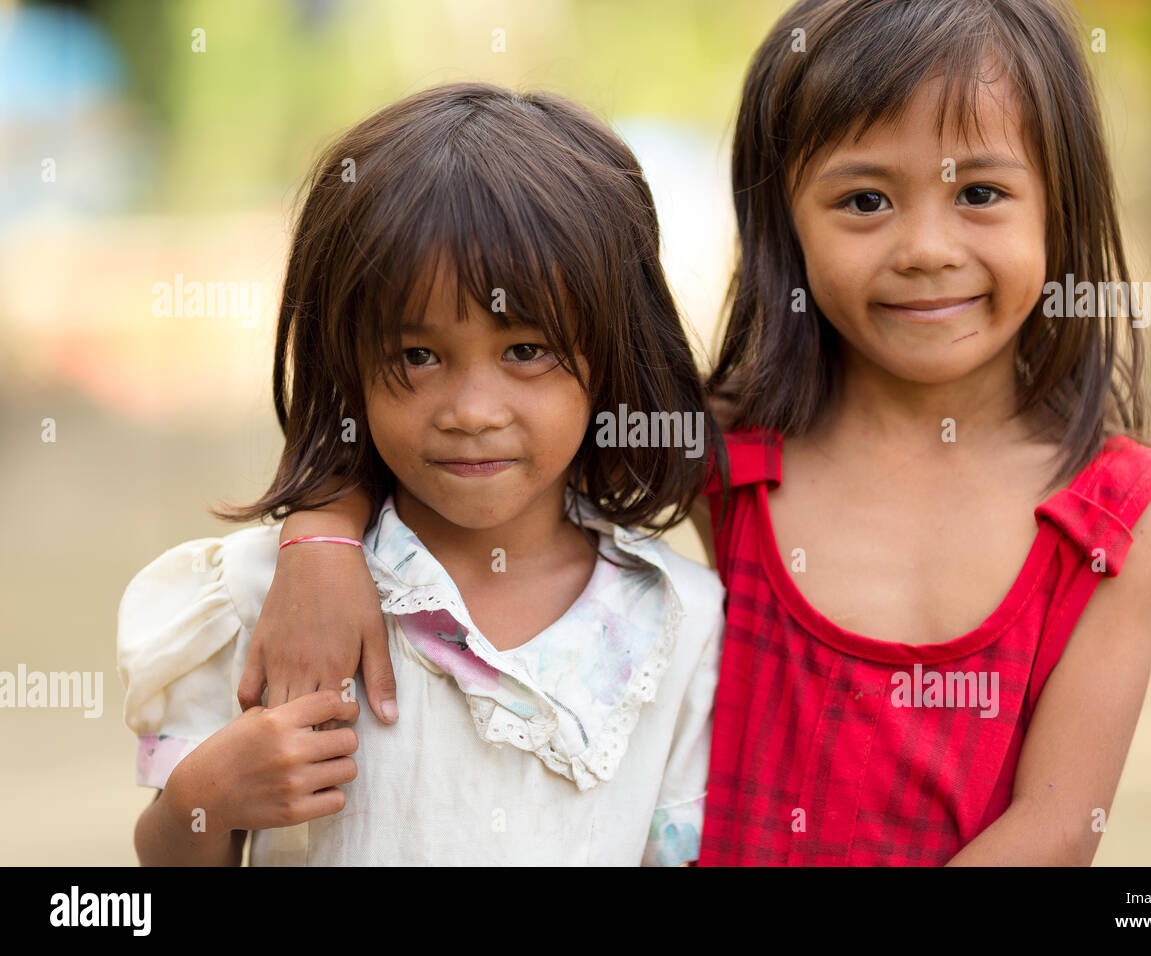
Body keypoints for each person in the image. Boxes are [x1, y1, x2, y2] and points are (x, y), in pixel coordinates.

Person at [253, 0, 1151, 866]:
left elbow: (1056, 826)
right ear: (783, 224)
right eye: (865, 200)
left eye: (981, 194)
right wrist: (323, 534)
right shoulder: (720, 450)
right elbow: (477, 447)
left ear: (1061, 205)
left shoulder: (1114, 517)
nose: (926, 247)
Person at [118, 82, 725, 866]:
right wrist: (205, 799)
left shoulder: (681, 622)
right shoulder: (264, 600)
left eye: (526, 351)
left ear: (611, 353)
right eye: (417, 356)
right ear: (349, 363)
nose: (472, 410)